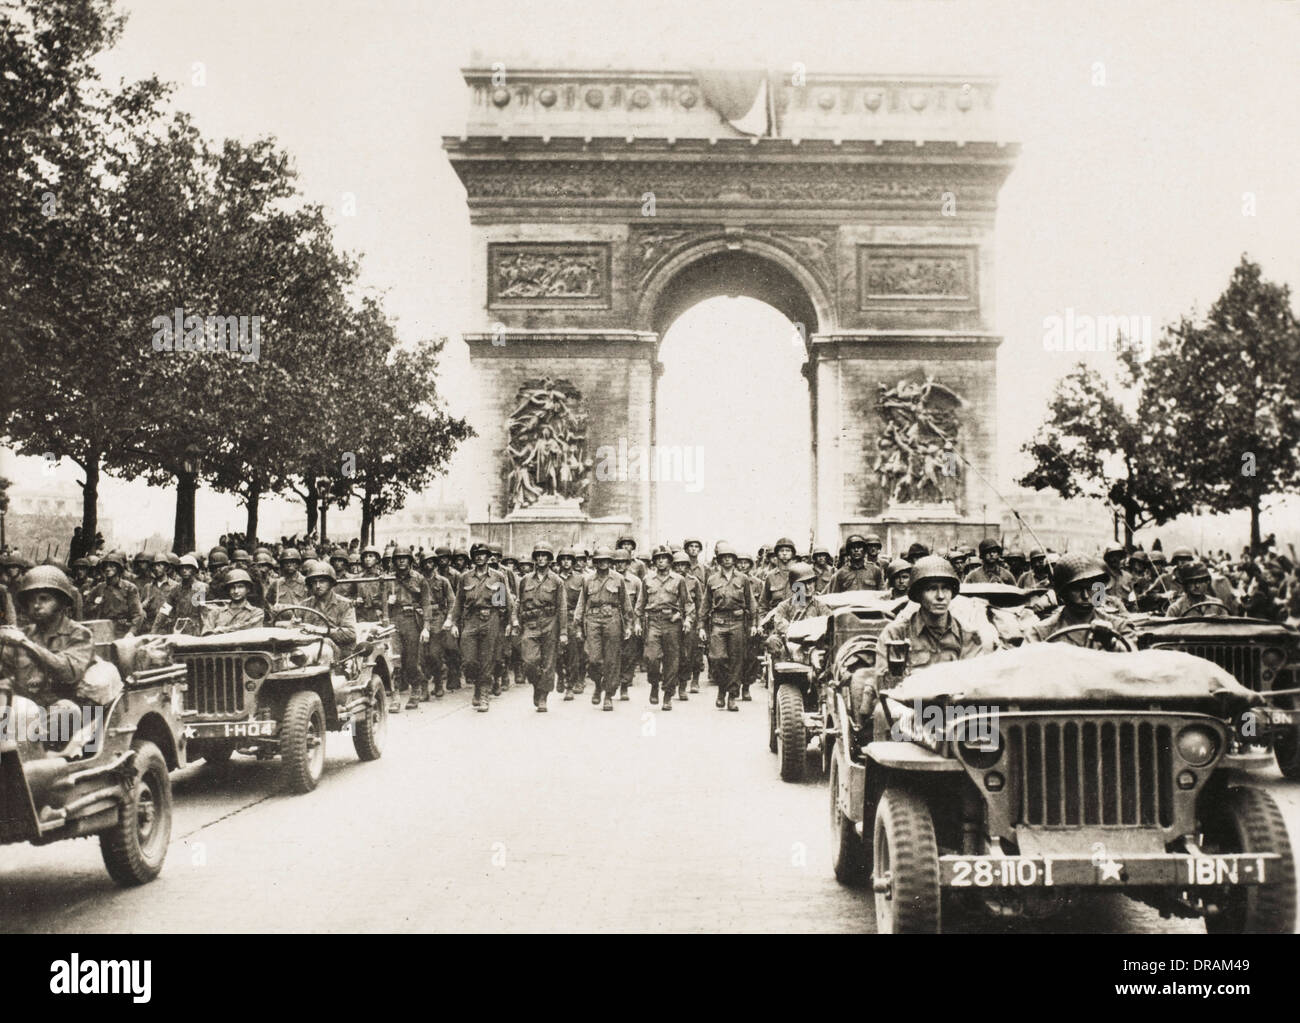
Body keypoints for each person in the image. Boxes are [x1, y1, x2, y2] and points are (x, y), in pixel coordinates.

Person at [0, 566, 98, 756]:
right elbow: (6, 671)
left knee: (67, 711)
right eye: (31, 600)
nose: (36, 605)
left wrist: (27, 644)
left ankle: (42, 762)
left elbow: (69, 673)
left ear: (61, 603)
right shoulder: (25, 633)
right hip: (24, 710)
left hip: (62, 713)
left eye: (44, 599)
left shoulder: (80, 635)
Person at [449, 543, 516, 712]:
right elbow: (458, 601)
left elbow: (505, 601)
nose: (480, 557)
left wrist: (510, 621)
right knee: (469, 660)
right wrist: (453, 622)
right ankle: (478, 685)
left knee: (487, 659)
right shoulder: (465, 577)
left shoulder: (498, 576)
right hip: (470, 620)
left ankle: (483, 694)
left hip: (491, 618)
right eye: (476, 554)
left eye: (483, 554)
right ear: (472, 557)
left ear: (488, 557)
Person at [1027, 554, 1136, 646]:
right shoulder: (1041, 632)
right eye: (1076, 589)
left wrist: (1111, 643)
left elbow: (1132, 661)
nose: (1085, 596)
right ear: (1063, 592)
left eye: (1091, 588)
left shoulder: (1119, 627)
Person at [573, 547, 633, 711]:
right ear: (595, 562)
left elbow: (626, 604)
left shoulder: (618, 579)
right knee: (593, 659)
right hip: (592, 620)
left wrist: (628, 625)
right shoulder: (588, 580)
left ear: (610, 562)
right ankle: (598, 685)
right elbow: (581, 603)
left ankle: (608, 695)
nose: (603, 563)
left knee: (612, 660)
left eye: (607, 560)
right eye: (600, 560)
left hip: (612, 620)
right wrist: (577, 624)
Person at [700, 541, 757, 712]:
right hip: (718, 622)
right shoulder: (712, 579)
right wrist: (701, 627)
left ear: (734, 560)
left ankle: (732, 696)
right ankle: (721, 689)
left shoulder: (743, 579)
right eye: (723, 558)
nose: (727, 560)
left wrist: (753, 624)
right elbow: (705, 605)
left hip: (738, 622)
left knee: (736, 661)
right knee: (717, 658)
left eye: (730, 558)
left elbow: (751, 603)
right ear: (719, 560)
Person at [517, 541, 567, 712]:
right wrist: (516, 623)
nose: (541, 559)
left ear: (549, 559)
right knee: (529, 661)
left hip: (549, 623)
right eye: (538, 555)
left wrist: (563, 632)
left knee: (548, 663)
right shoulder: (525, 580)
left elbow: (562, 607)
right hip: (530, 624)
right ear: (534, 559)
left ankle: (543, 696)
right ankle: (536, 686)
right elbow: (519, 603)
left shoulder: (557, 581)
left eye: (544, 556)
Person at [640, 545, 691, 710]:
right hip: (653, 621)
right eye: (658, 558)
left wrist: (686, 618)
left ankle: (668, 694)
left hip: (672, 623)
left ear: (670, 561)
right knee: (651, 658)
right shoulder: (647, 579)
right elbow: (641, 603)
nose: (661, 561)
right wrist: (635, 622)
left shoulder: (679, 580)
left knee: (672, 661)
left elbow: (687, 604)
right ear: (654, 562)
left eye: (665, 558)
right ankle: (654, 684)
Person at [389, 546, 434, 711]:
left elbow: (426, 603)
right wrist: (387, 601)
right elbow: (378, 603)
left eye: (405, 557)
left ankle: (416, 688)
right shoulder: (388, 579)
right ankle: (395, 697)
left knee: (411, 662)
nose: (401, 560)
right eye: (398, 558)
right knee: (394, 661)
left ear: (410, 560)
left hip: (411, 621)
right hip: (393, 621)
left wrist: (426, 627)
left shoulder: (419, 579)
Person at [298, 561, 358, 659]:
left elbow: (350, 634)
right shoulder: (304, 605)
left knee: (324, 643)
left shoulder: (344, 604)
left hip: (339, 652)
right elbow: (294, 628)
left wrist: (321, 630)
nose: (318, 586)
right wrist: (295, 625)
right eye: (314, 582)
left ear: (330, 583)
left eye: (322, 581)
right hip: (307, 650)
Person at [84, 551, 145, 638]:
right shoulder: (99, 587)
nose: (108, 569)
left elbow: (138, 614)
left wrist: (131, 632)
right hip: (101, 630)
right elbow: (86, 608)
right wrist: (96, 606)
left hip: (122, 630)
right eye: (105, 567)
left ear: (119, 569)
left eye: (112, 566)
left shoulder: (129, 588)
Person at [556, 546, 585, 699]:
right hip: (555, 620)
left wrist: (580, 624)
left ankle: (570, 685)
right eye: (563, 559)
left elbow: (584, 602)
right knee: (556, 655)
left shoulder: (580, 579)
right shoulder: (554, 578)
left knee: (573, 654)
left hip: (573, 619)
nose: (566, 562)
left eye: (569, 559)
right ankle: (560, 675)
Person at [151, 554, 204, 634]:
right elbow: (165, 610)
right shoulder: (176, 589)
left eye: (188, 568)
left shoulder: (200, 588)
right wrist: (154, 630)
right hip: (178, 628)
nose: (184, 571)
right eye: (181, 568)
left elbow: (203, 612)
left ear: (194, 569)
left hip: (195, 628)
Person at [201, 569, 265, 635]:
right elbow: (206, 634)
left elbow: (251, 630)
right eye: (232, 587)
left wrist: (223, 630)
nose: (236, 591)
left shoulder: (256, 613)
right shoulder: (215, 613)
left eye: (240, 587)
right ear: (228, 590)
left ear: (248, 589)